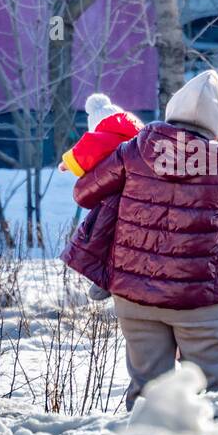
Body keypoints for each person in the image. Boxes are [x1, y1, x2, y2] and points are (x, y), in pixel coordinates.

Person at [67, 70, 218, 408]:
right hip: (201, 299)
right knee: (212, 389)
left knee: (148, 388)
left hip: (135, 293)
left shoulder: (135, 149)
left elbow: (84, 193)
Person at [59, 93, 144, 301]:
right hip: (142, 193)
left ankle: (103, 278)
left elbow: (83, 153)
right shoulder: (140, 134)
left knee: (101, 231)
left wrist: (66, 164)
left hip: (116, 197)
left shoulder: (102, 136)